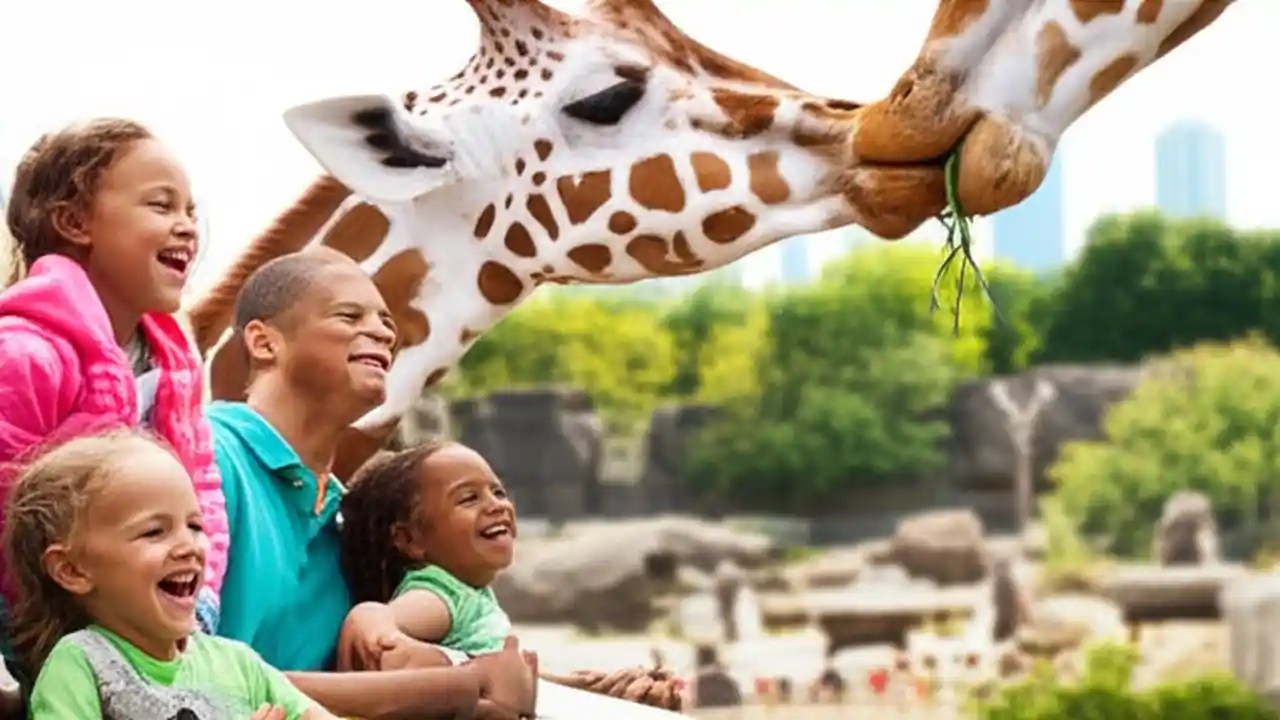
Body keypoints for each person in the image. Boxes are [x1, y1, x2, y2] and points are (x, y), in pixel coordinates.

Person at [210, 251, 537, 718]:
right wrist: (461, 689)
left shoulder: (350, 518)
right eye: (350, 315)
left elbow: (381, 670)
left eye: (386, 321)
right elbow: (176, 670)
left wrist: (581, 689)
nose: (385, 333)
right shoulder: (208, 459)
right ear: (264, 342)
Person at [0, 119, 228, 677]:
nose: (186, 228)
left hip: (143, 616)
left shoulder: (173, 364)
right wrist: (69, 614)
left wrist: (198, 600)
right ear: (75, 222)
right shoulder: (25, 351)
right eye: (161, 206)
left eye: (191, 212)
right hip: (42, 618)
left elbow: (201, 489)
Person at [3, 430, 331, 719]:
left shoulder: (239, 664)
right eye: (155, 532)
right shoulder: (80, 665)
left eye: (195, 526)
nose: (188, 546)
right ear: (71, 569)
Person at [336, 441, 685, 711]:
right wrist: (372, 622)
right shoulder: (438, 593)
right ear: (410, 539)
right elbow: (382, 617)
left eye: (498, 491)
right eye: (468, 498)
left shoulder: (470, 595)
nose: (496, 505)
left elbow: (491, 668)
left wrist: (589, 684)